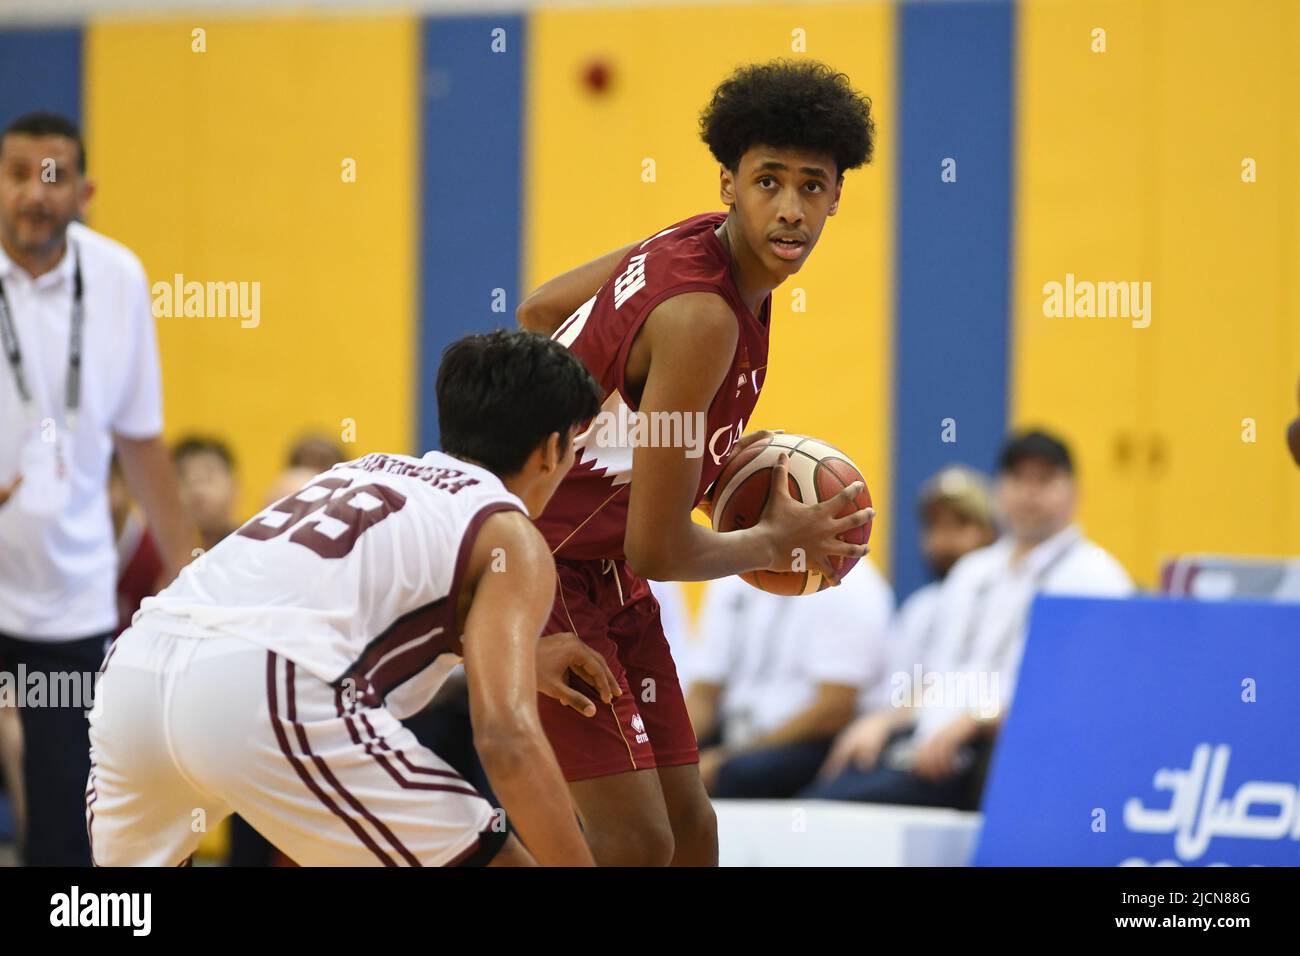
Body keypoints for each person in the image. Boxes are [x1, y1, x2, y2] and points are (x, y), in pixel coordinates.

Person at [517, 59, 877, 865]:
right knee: (639, 844)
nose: (789, 210)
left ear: (837, 196)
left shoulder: (692, 244)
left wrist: (619, 441)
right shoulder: (702, 320)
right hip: (547, 567)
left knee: (693, 835)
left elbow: (541, 312)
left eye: (812, 187)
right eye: (768, 182)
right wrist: (783, 541)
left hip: (605, 570)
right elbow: (661, 548)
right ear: (729, 182)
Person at [87, 330, 609, 866]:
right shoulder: (510, 534)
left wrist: (510, 658)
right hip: (265, 688)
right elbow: (507, 742)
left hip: (135, 675)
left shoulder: (358, 471)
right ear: (552, 450)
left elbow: (313, 606)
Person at [0, 111, 195, 865]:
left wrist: (186, 565)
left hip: (72, 596)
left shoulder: (116, 277)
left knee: (69, 821)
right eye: (18, 173)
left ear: (84, 191)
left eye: (52, 177)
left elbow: (140, 438)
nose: (34, 194)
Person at [799, 430, 1133, 809]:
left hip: (999, 751)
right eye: (1018, 479)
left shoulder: (1095, 577)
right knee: (818, 796)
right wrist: (883, 722)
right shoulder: (975, 570)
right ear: (998, 491)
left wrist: (976, 720)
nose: (1029, 493)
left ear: (1074, 493)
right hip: (928, 739)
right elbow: (937, 674)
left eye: (1044, 481)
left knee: (836, 809)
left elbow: (1074, 693)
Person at [814, 465, 996, 788]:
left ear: (990, 532)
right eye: (935, 526)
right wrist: (880, 724)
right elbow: (900, 694)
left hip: (965, 745)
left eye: (961, 524)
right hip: (906, 737)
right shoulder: (920, 609)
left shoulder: (1000, 602)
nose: (945, 540)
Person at [684, 559, 894, 799]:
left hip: (811, 742)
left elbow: (834, 710)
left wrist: (729, 758)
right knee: (664, 769)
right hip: (737, 735)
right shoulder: (730, 576)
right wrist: (671, 756)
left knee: (739, 774)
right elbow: (703, 694)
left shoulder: (849, 582)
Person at [173, 436, 239, 553]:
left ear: (235, 486)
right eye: (185, 477)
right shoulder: (170, 558)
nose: (196, 489)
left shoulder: (254, 548)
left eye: (208, 476)